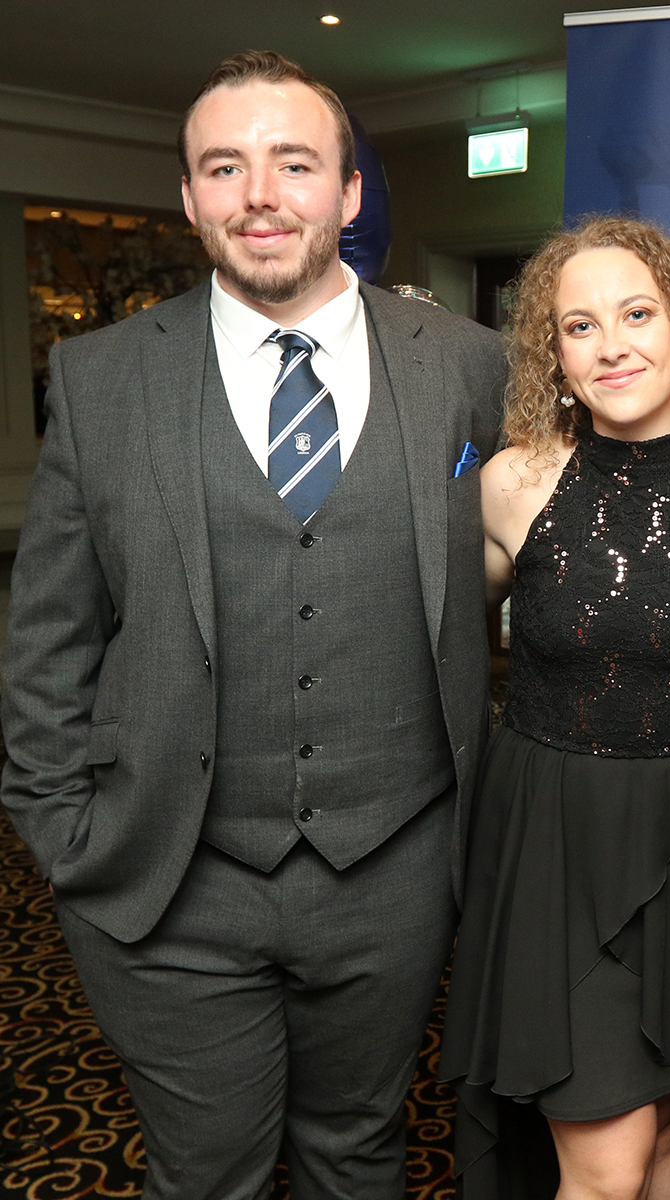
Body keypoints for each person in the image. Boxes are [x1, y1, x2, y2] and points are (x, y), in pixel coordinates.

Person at [0, 50, 504, 1198]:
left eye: (292, 162)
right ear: (190, 198)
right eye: (224, 167)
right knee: (208, 1171)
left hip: (397, 867)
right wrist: (67, 839)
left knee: (358, 1151)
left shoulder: (472, 370)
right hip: (171, 874)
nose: (259, 194)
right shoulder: (100, 377)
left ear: (349, 191)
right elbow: (49, 645)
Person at [439, 215, 670, 1200]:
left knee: (659, 1149)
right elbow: (416, 641)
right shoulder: (515, 485)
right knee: (604, 1165)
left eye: (637, 314)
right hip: (554, 848)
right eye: (579, 326)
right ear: (553, 354)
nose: (612, 346)